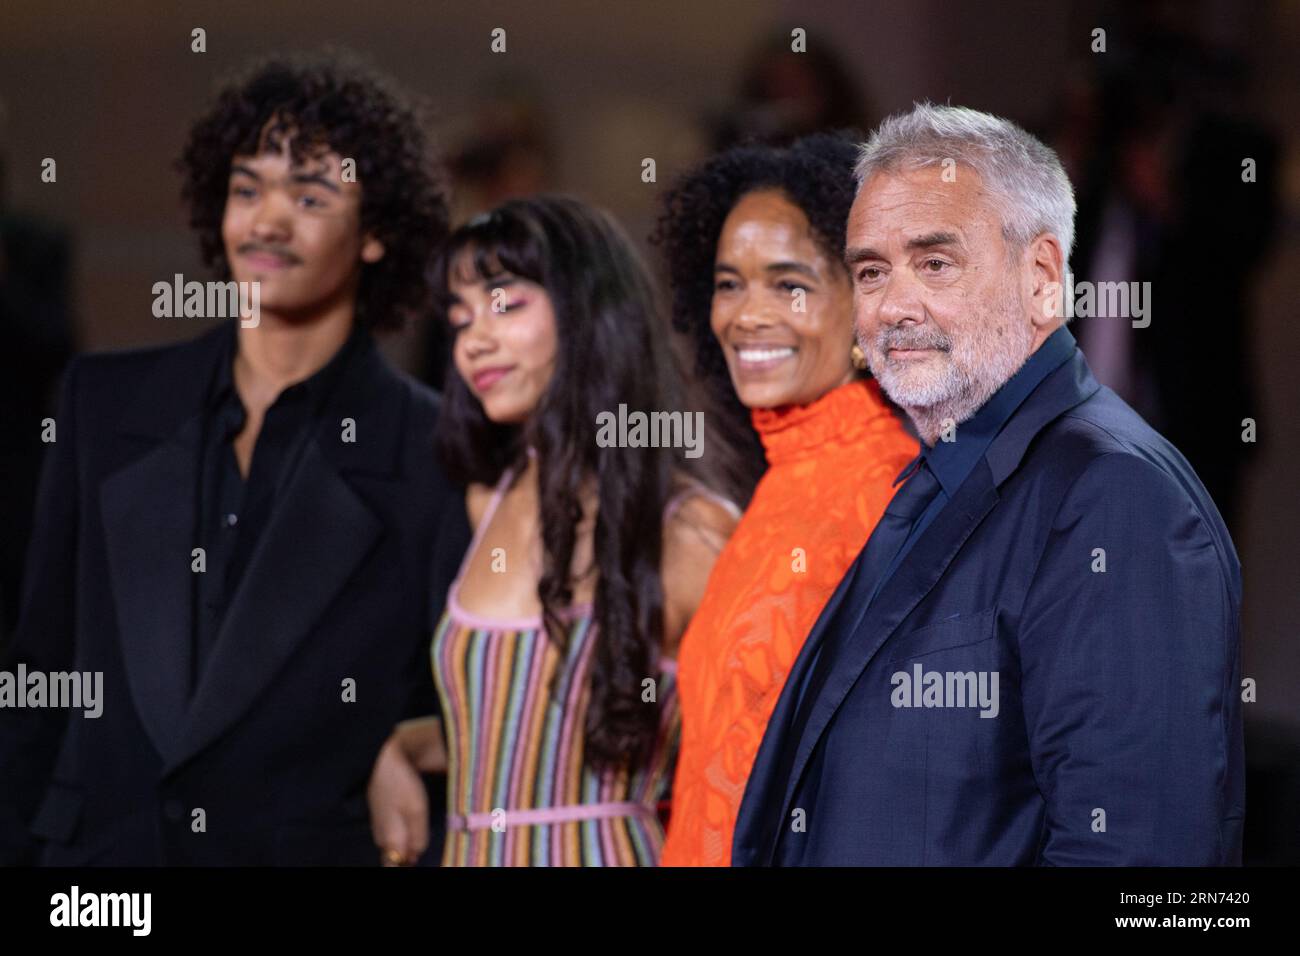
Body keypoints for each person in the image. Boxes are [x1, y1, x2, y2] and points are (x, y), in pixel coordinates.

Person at [734, 104, 1244, 866]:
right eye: (872, 270)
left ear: (1042, 277)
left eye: (935, 263)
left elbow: (1141, 865)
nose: (894, 306)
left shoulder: (1116, 499)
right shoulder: (945, 467)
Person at [0, 51, 468, 866]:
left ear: (377, 233)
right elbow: (39, 673)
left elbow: (463, 709)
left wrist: (406, 751)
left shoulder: (432, 453)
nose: (267, 222)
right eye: (247, 189)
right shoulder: (104, 405)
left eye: (311, 196)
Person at [367, 196, 738, 866]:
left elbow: (751, 759)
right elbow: (512, 724)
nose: (474, 338)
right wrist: (397, 747)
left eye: (505, 303)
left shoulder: (691, 528)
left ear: (589, 312)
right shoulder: (485, 503)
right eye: (460, 318)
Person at [652, 133, 918, 866]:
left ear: (867, 304)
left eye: (788, 283)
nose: (746, 315)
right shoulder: (780, 479)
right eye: (729, 282)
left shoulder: (892, 491)